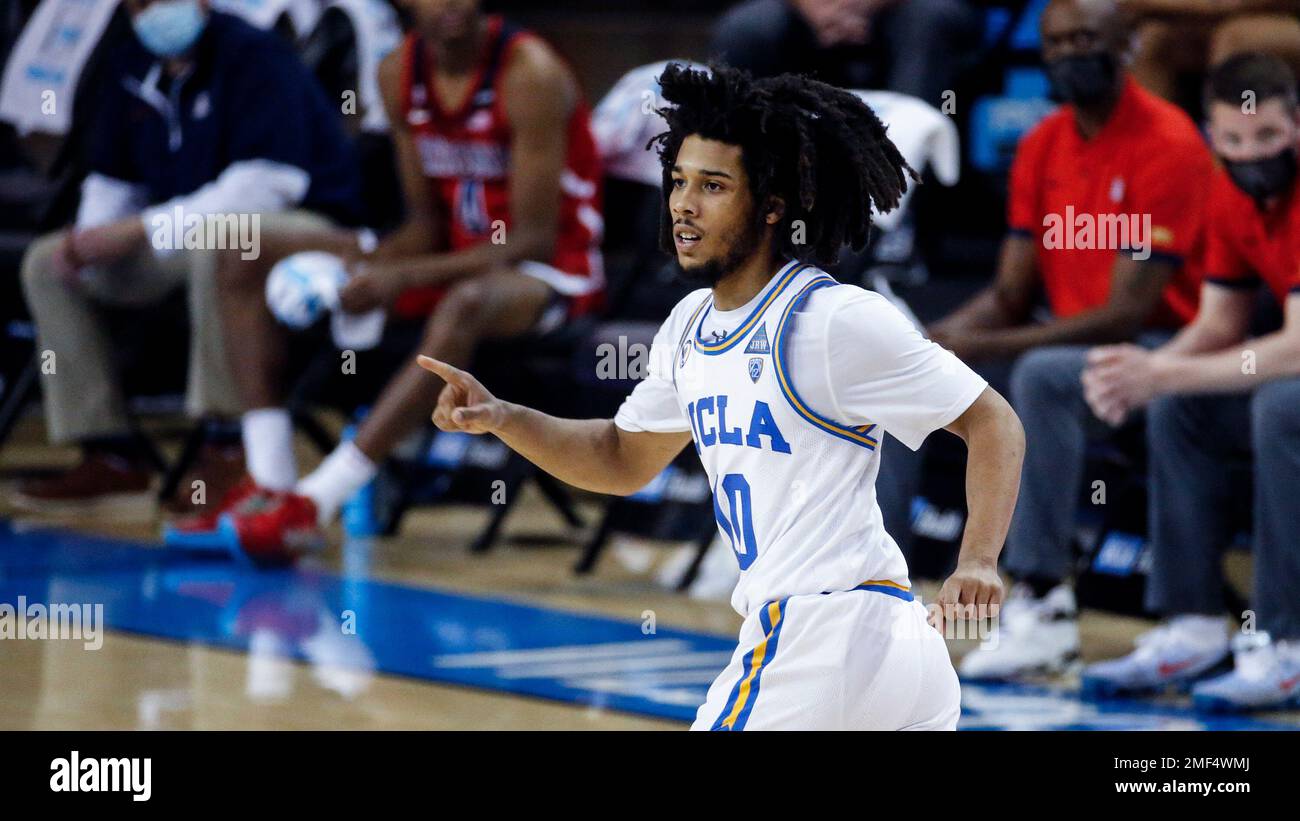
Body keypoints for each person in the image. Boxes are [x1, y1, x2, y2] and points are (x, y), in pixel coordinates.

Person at [417, 64, 1025, 730]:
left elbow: (991, 417)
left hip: (824, 634)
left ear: (770, 203)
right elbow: (621, 458)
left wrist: (978, 561)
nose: (684, 203)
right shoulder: (688, 326)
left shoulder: (831, 319)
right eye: (678, 181)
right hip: (881, 651)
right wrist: (504, 417)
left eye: (712, 186)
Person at [165, 0, 604, 559]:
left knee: (467, 302)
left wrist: (399, 277)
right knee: (240, 248)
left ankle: (316, 502)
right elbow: (424, 222)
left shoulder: (529, 73)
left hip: (547, 275)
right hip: (451, 255)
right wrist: (369, 266)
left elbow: (530, 240)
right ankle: (271, 485)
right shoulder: (398, 72)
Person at [912, 0, 1215, 682]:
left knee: (1042, 373)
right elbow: (1011, 291)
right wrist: (936, 337)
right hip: (1066, 344)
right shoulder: (1045, 142)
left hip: (1167, 349)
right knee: (903, 368)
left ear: (1128, 47)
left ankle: (1042, 603)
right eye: (1055, 42)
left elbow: (1125, 316)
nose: (1068, 53)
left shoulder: (1168, 143)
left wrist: (990, 347)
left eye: (1087, 39)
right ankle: (874, 591)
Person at [15, 0, 361, 513]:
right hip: (184, 234)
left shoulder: (255, 55)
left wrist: (139, 229)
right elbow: (114, 177)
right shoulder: (129, 62)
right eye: (140, 2)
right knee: (48, 264)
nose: (153, 11)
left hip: (301, 230)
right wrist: (91, 238)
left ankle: (228, 441)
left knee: (221, 243)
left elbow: (267, 186)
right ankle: (110, 450)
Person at [1079, 53, 1300, 712]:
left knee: (1282, 407)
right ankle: (1194, 625)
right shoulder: (1231, 192)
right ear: (1213, 136)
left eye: (1268, 137)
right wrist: (1139, 376)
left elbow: (1294, 348)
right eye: (1234, 140)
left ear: (1298, 126)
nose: (1251, 152)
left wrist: (1162, 369)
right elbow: (1218, 321)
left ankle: (1286, 644)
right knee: (1182, 406)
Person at [709, 0, 981, 109]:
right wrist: (816, 9)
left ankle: (904, 178)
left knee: (927, 20)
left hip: (904, 9)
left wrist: (859, 4)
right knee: (747, 28)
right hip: (812, 9)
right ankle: (746, 175)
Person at [1121, 0, 1300, 106]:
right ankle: (1154, 147)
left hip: (1287, 20)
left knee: (1234, 38)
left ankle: (1231, 147)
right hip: (1211, 19)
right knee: (1154, 38)